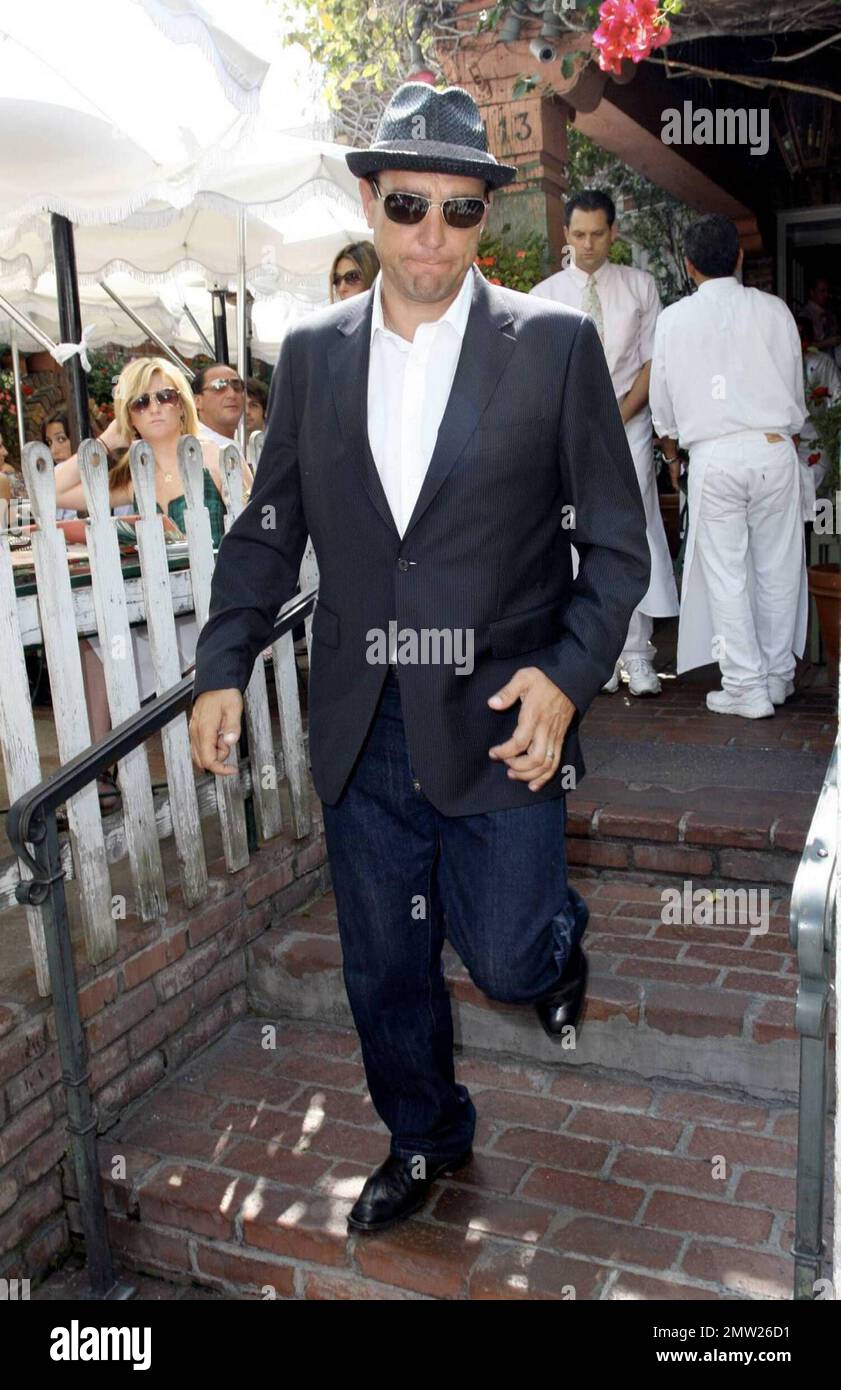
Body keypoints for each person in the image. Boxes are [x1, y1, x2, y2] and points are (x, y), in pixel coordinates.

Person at [189, 81, 649, 1233]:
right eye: (407, 206)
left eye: (459, 211)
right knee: (385, 968)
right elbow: (267, 531)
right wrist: (221, 664)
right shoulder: (308, 356)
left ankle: (552, 945)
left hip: (502, 708)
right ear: (368, 203)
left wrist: (566, 672)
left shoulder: (551, 346)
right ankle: (424, 1134)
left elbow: (616, 541)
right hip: (362, 718)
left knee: (501, 956)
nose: (432, 236)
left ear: (484, 217)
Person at [54, 357, 252, 802]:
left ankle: (187, 759)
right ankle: (97, 768)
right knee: (96, 644)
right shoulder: (131, 473)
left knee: (115, 640)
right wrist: (108, 438)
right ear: (131, 417)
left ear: (182, 403)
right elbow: (52, 492)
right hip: (166, 604)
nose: (155, 407)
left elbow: (254, 535)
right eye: (141, 402)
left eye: (164, 396)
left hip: (219, 604)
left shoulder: (215, 457)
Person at [650, 214, 808, 718]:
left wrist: (673, 459)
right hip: (773, 447)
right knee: (778, 569)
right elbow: (794, 390)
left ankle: (745, 685)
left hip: (715, 455)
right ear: (739, 259)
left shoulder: (673, 320)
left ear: (688, 265)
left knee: (727, 574)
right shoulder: (775, 310)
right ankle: (778, 676)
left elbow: (663, 407)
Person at [530, 189, 679, 696]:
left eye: (597, 234)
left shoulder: (639, 287)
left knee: (628, 533)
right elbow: (542, 374)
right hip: (566, 434)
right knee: (573, 539)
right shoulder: (544, 294)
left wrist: (616, 415)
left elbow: (652, 362)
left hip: (628, 427)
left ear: (613, 232)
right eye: (578, 235)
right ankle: (589, 654)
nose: (588, 245)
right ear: (566, 235)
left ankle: (637, 654)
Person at [193, 362, 245, 447]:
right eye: (219, 386)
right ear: (198, 401)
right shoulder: (195, 449)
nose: (232, 394)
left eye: (237, 386)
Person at [800, 276, 841, 361]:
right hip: (817, 361)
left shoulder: (830, 313)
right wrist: (826, 343)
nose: (826, 295)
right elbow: (804, 346)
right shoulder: (805, 315)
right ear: (812, 292)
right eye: (822, 291)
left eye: (827, 291)